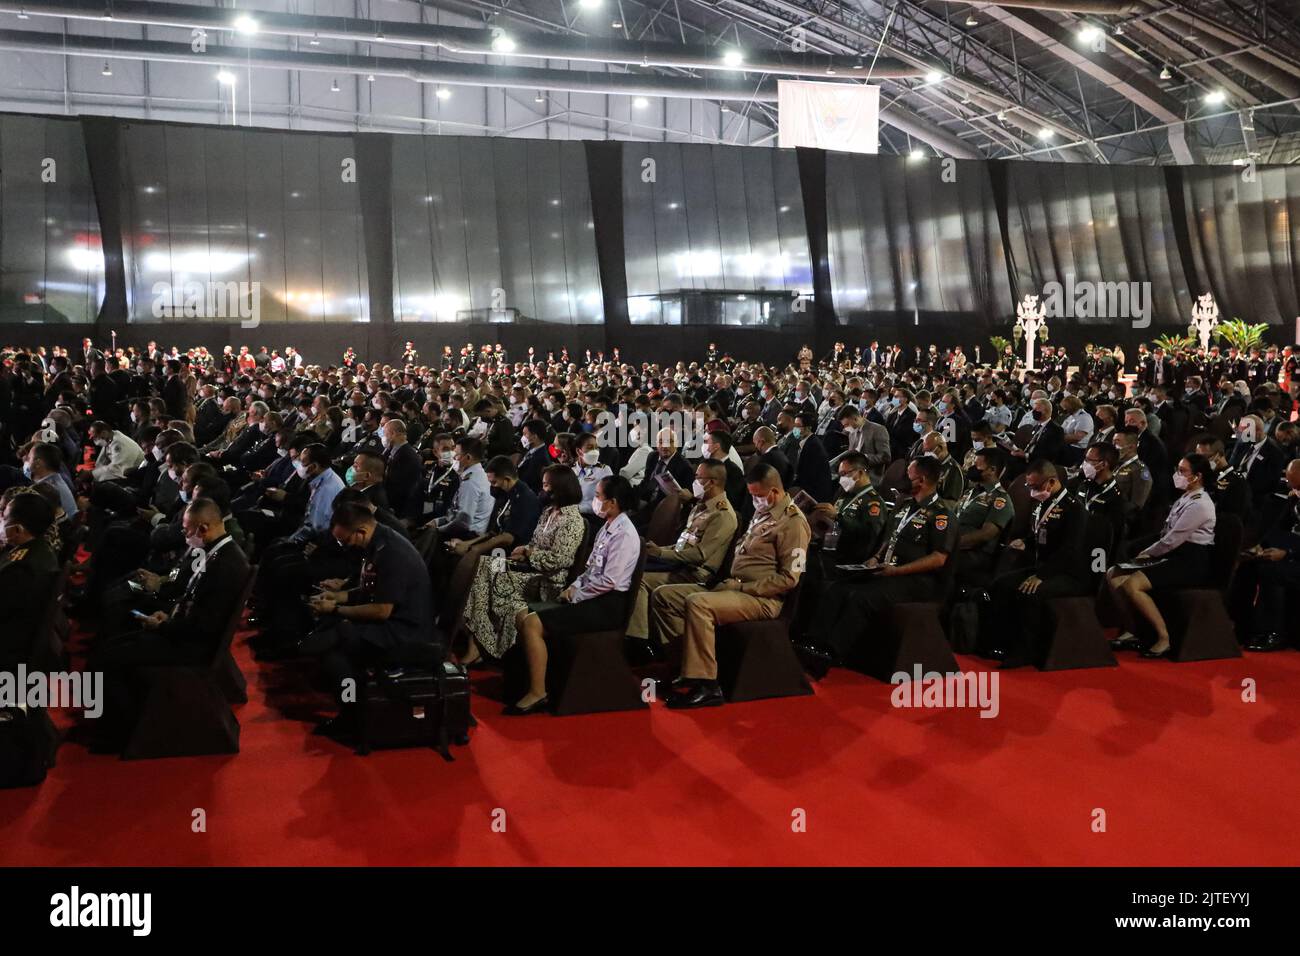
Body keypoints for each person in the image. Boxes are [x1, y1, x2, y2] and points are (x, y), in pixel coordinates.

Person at [89, 498, 250, 749]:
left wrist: (162, 625)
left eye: (186, 530)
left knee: (107, 657)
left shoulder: (224, 565)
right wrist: (168, 615)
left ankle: (117, 733)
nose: (184, 535)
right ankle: (120, 721)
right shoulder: (217, 552)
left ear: (203, 528)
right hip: (184, 631)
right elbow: (191, 602)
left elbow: (202, 626)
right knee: (114, 643)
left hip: (192, 647)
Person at [650, 463, 811, 709]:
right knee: (665, 596)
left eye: (758, 496)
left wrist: (742, 589)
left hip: (763, 599)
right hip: (734, 587)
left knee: (698, 603)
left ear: (775, 492)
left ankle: (707, 685)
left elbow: (789, 579)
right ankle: (685, 667)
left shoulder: (793, 523)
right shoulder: (764, 512)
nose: (754, 501)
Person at [795, 456, 953, 679]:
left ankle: (828, 656)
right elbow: (889, 539)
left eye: (908, 475)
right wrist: (875, 559)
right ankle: (810, 644)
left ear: (922, 479)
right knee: (838, 589)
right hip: (886, 569)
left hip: (916, 580)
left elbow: (938, 558)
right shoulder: (905, 506)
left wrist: (897, 571)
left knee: (861, 598)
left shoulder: (941, 515)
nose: (901, 479)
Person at [301, 501, 438, 740]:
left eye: (346, 541)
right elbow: (369, 590)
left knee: (337, 656)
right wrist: (339, 596)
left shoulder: (392, 553)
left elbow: (381, 610)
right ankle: (314, 651)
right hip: (392, 623)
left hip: (405, 633)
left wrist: (336, 609)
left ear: (361, 531)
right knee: (331, 632)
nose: (344, 546)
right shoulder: (378, 542)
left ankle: (350, 713)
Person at [507, 476, 641, 715]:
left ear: (612, 502)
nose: (595, 500)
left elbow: (609, 581)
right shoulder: (608, 526)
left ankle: (539, 693)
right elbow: (591, 570)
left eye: (599, 496)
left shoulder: (625, 534)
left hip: (607, 605)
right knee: (521, 614)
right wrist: (574, 586)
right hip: (591, 595)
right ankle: (533, 679)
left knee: (532, 624)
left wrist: (577, 594)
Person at [459, 465, 586, 665]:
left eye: (546, 485)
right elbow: (534, 543)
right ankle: (478, 640)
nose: (542, 489)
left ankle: (481, 644)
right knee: (487, 564)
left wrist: (529, 554)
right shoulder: (549, 512)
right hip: (529, 569)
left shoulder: (572, 520)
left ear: (559, 488)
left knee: (491, 575)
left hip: (547, 580)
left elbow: (560, 560)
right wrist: (523, 551)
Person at [980, 460, 1090, 666]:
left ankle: (1025, 651)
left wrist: (1042, 576)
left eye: (1035, 487)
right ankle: (999, 642)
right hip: (1042, 566)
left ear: (1051, 482)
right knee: (1001, 584)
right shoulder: (1043, 504)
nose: (1032, 491)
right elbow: (1040, 535)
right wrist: (1025, 542)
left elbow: (1070, 550)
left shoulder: (1074, 510)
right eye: (1029, 486)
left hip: (1067, 573)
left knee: (1029, 593)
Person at [626, 459, 737, 661]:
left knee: (641, 581)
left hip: (697, 575)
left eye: (698, 478)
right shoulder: (700, 507)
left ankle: (639, 642)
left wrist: (661, 554)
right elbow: (682, 546)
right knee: (635, 573)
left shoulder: (722, 515)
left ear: (711, 482)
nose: (694, 481)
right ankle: (640, 637)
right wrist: (659, 550)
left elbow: (700, 554)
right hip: (679, 566)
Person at [1107, 454, 1218, 658]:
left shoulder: (1200, 504)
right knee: (1114, 574)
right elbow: (1164, 534)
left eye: (1183, 471)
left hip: (1190, 560)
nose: (1178, 475)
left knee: (1133, 584)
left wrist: (1147, 553)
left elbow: (1172, 539)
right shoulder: (1185, 497)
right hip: (1172, 554)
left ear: (1198, 476)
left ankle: (1163, 637)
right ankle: (1135, 630)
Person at [1233, 460, 1300, 651]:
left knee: (1272, 573)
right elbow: (1279, 526)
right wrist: (1260, 546)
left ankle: (1274, 633)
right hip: (1290, 553)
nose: (1286, 481)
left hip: (1295, 555)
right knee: (1247, 566)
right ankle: (1244, 627)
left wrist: (1287, 553)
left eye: (1290, 478)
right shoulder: (1294, 497)